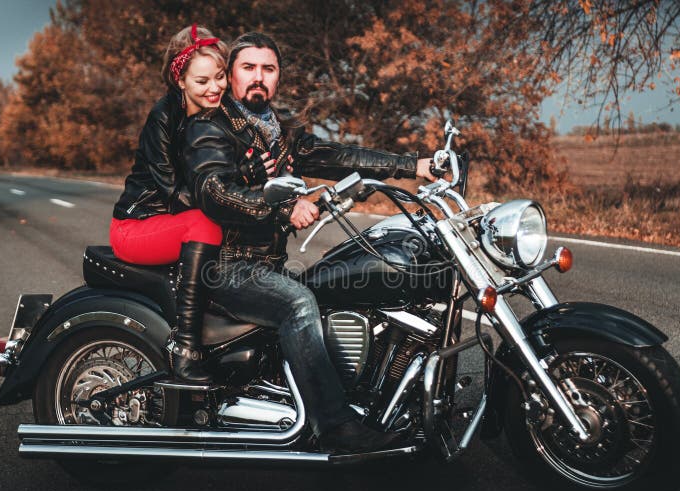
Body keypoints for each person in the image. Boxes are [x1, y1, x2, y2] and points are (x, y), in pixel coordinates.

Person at [179, 32, 437, 453]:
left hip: (263, 264)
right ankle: (335, 426)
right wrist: (283, 209)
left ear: (278, 77)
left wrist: (414, 166)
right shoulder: (210, 127)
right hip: (227, 267)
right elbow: (213, 190)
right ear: (230, 74)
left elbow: (337, 156)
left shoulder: (278, 131)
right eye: (249, 68)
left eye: (268, 69)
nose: (258, 77)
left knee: (341, 282)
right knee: (300, 303)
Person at [110, 25, 275, 383]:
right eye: (202, 82)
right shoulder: (164, 117)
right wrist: (236, 193)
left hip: (172, 225)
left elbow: (226, 174)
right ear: (180, 81)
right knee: (207, 222)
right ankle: (186, 349)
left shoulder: (220, 116)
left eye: (219, 77)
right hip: (137, 225)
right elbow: (175, 193)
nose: (214, 88)